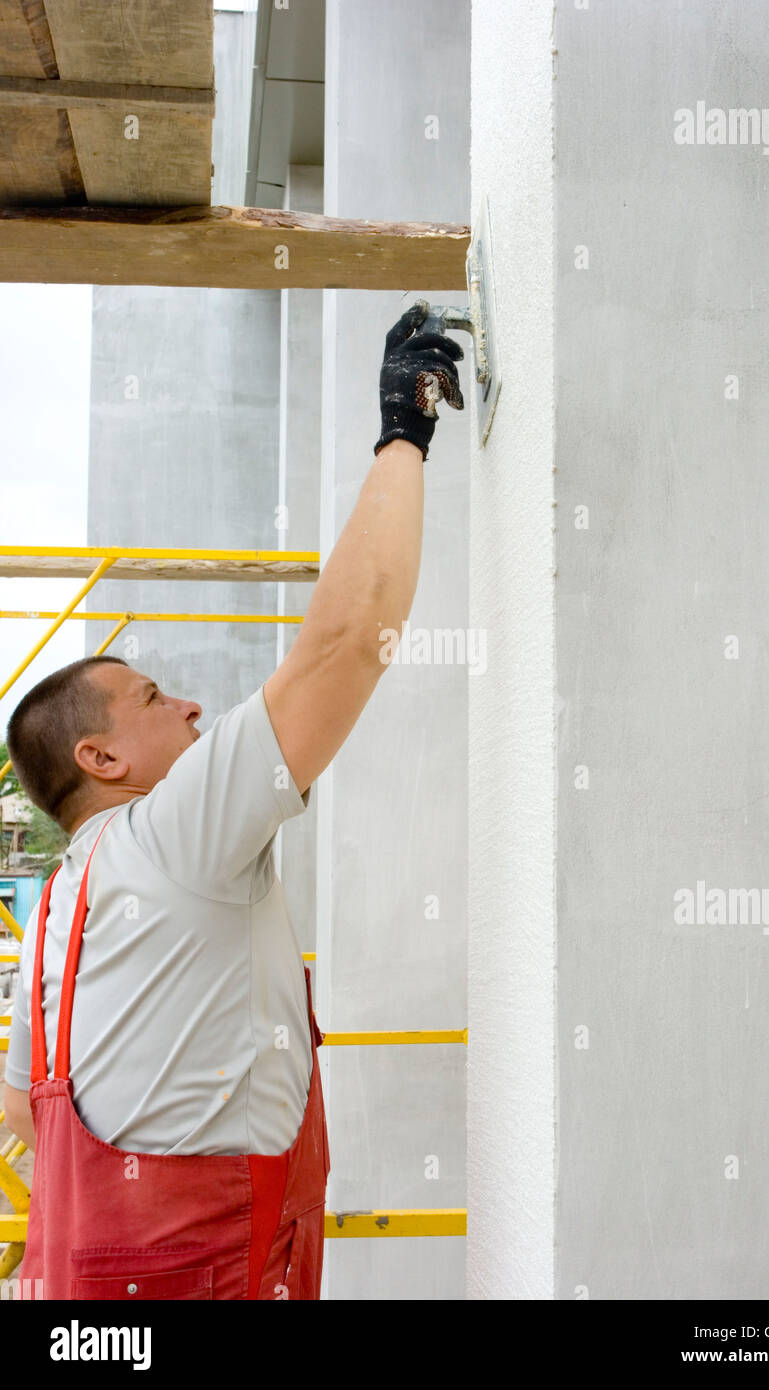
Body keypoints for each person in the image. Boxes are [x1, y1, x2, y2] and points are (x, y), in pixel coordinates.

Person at [1, 304, 464, 1300]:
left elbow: (22, 1115)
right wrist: (402, 431)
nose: (193, 703)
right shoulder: (166, 834)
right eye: (155, 699)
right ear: (102, 756)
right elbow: (346, 645)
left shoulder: (56, 918)